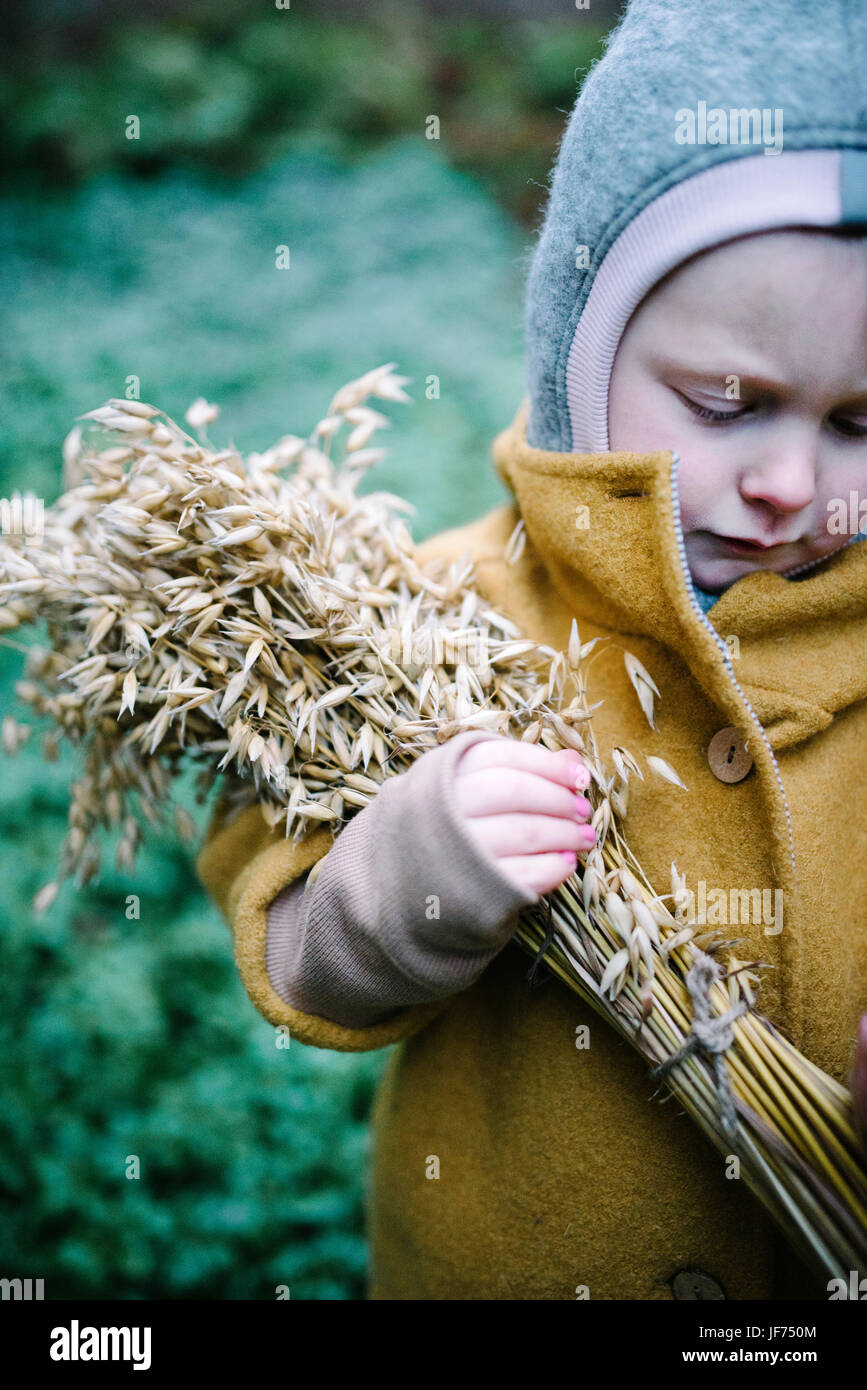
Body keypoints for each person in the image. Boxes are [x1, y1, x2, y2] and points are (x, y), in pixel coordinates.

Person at [197, 0, 867, 1299]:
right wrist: (403, 879)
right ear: (582, 346)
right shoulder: (431, 614)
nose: (790, 479)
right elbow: (293, 948)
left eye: (863, 420)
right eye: (728, 402)